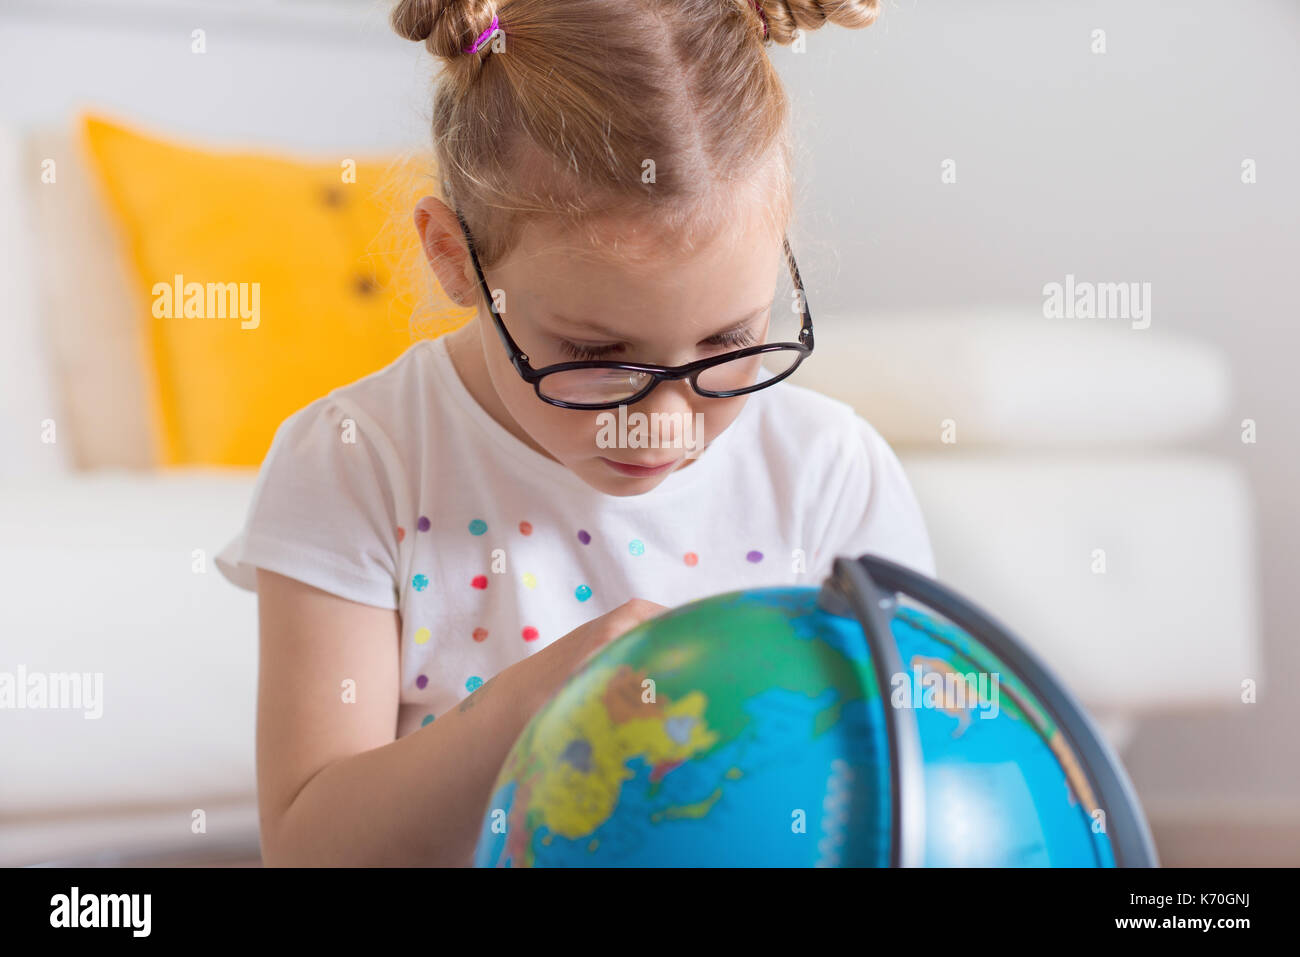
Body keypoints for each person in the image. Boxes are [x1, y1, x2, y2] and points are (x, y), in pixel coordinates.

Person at [215, 0, 934, 866]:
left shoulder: (828, 470)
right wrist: (544, 700)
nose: (663, 422)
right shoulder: (358, 465)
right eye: (595, 353)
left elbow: (920, 772)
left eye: (729, 342)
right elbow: (307, 847)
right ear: (454, 257)